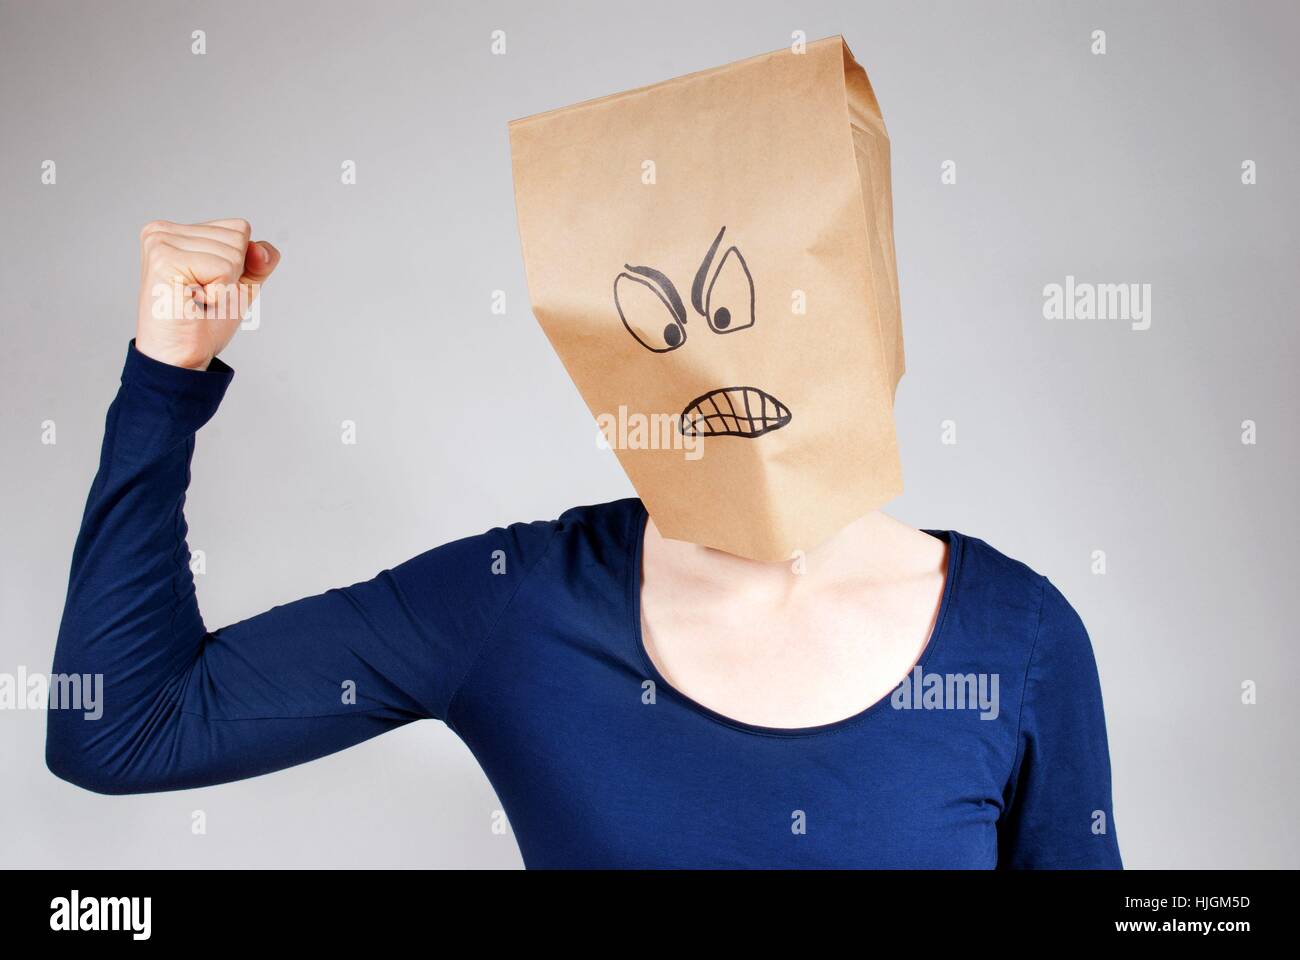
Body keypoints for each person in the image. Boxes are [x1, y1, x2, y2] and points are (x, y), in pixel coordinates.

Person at [46, 219, 1121, 869]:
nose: (731, 352)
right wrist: (164, 378)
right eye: (671, 314)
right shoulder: (515, 603)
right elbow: (123, 731)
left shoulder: (1013, 635)